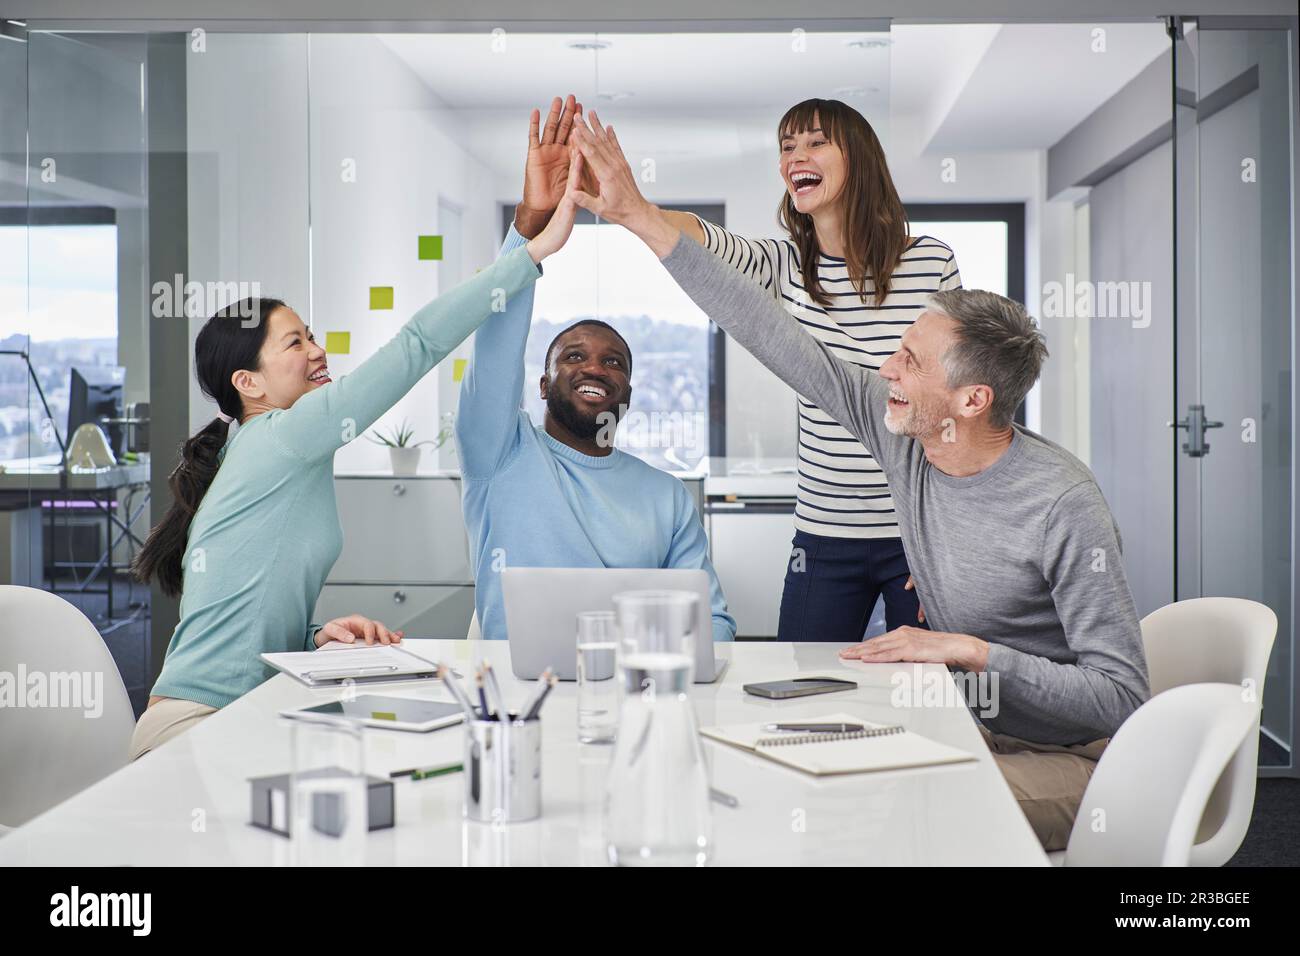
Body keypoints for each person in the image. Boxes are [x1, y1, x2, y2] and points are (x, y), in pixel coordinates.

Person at [567, 115, 1149, 850]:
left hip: (1075, 759)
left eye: (908, 358)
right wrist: (637, 218)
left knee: (891, 806)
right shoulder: (909, 447)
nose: (884, 370)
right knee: (797, 770)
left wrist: (969, 651)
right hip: (971, 725)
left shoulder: (1062, 503)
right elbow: (768, 331)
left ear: (973, 400)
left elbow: (1123, 699)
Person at [127, 174, 580, 758]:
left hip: (234, 716)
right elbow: (416, 344)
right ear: (249, 383)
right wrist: (532, 251)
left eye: (312, 335)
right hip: (193, 729)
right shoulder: (278, 436)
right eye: (295, 344)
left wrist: (315, 637)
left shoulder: (269, 451)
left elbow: (244, 612)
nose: (318, 351)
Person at [650, 98, 961, 641]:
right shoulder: (783, 263)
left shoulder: (932, 262)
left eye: (816, 141)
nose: (797, 155)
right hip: (823, 535)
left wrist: (944, 536)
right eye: (787, 146)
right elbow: (697, 237)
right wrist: (631, 206)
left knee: (927, 696)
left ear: (858, 159)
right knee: (799, 692)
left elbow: (955, 400)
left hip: (916, 532)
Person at [456, 95, 735, 644]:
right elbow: (493, 358)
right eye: (575, 356)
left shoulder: (666, 496)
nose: (596, 368)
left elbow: (717, 627)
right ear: (542, 383)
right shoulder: (500, 454)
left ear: (628, 390)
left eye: (614, 362)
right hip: (521, 701)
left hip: (640, 692)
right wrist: (529, 231)